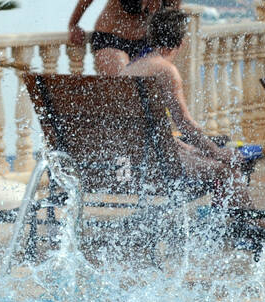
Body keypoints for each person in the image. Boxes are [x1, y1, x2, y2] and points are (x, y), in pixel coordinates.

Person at [119, 9, 252, 207]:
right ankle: (249, 225)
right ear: (180, 43)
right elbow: (185, 124)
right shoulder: (166, 70)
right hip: (158, 166)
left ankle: (231, 223)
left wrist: (184, 147)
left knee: (201, 154)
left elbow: (147, 129)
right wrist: (216, 151)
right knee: (227, 168)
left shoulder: (128, 70)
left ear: (152, 37)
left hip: (130, 162)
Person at [68, 0, 159, 75]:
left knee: (155, 85)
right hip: (111, 40)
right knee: (122, 84)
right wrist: (73, 24)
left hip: (145, 43)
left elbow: (172, 16)